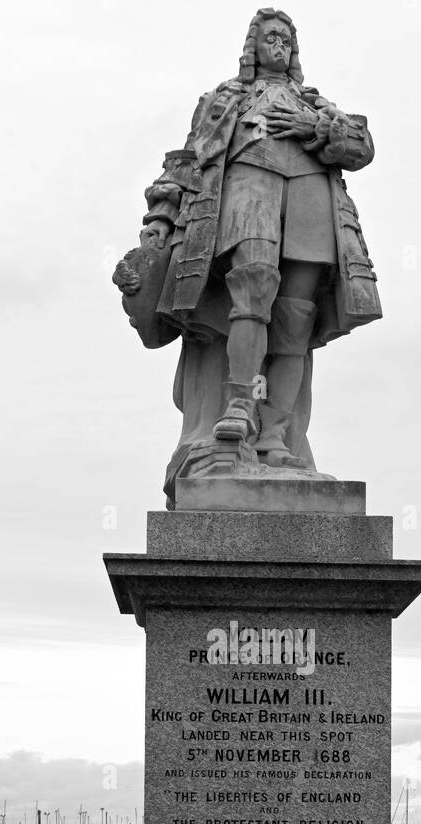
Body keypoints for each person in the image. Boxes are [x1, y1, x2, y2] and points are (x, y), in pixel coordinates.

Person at [113, 9, 381, 505]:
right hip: (247, 186)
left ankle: (276, 438)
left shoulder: (315, 103)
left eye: (286, 38)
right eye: (269, 36)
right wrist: (156, 227)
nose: (277, 45)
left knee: (295, 317)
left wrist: (312, 126)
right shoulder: (224, 99)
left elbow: (361, 148)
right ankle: (237, 409)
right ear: (252, 46)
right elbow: (187, 162)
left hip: (309, 198)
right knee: (253, 287)